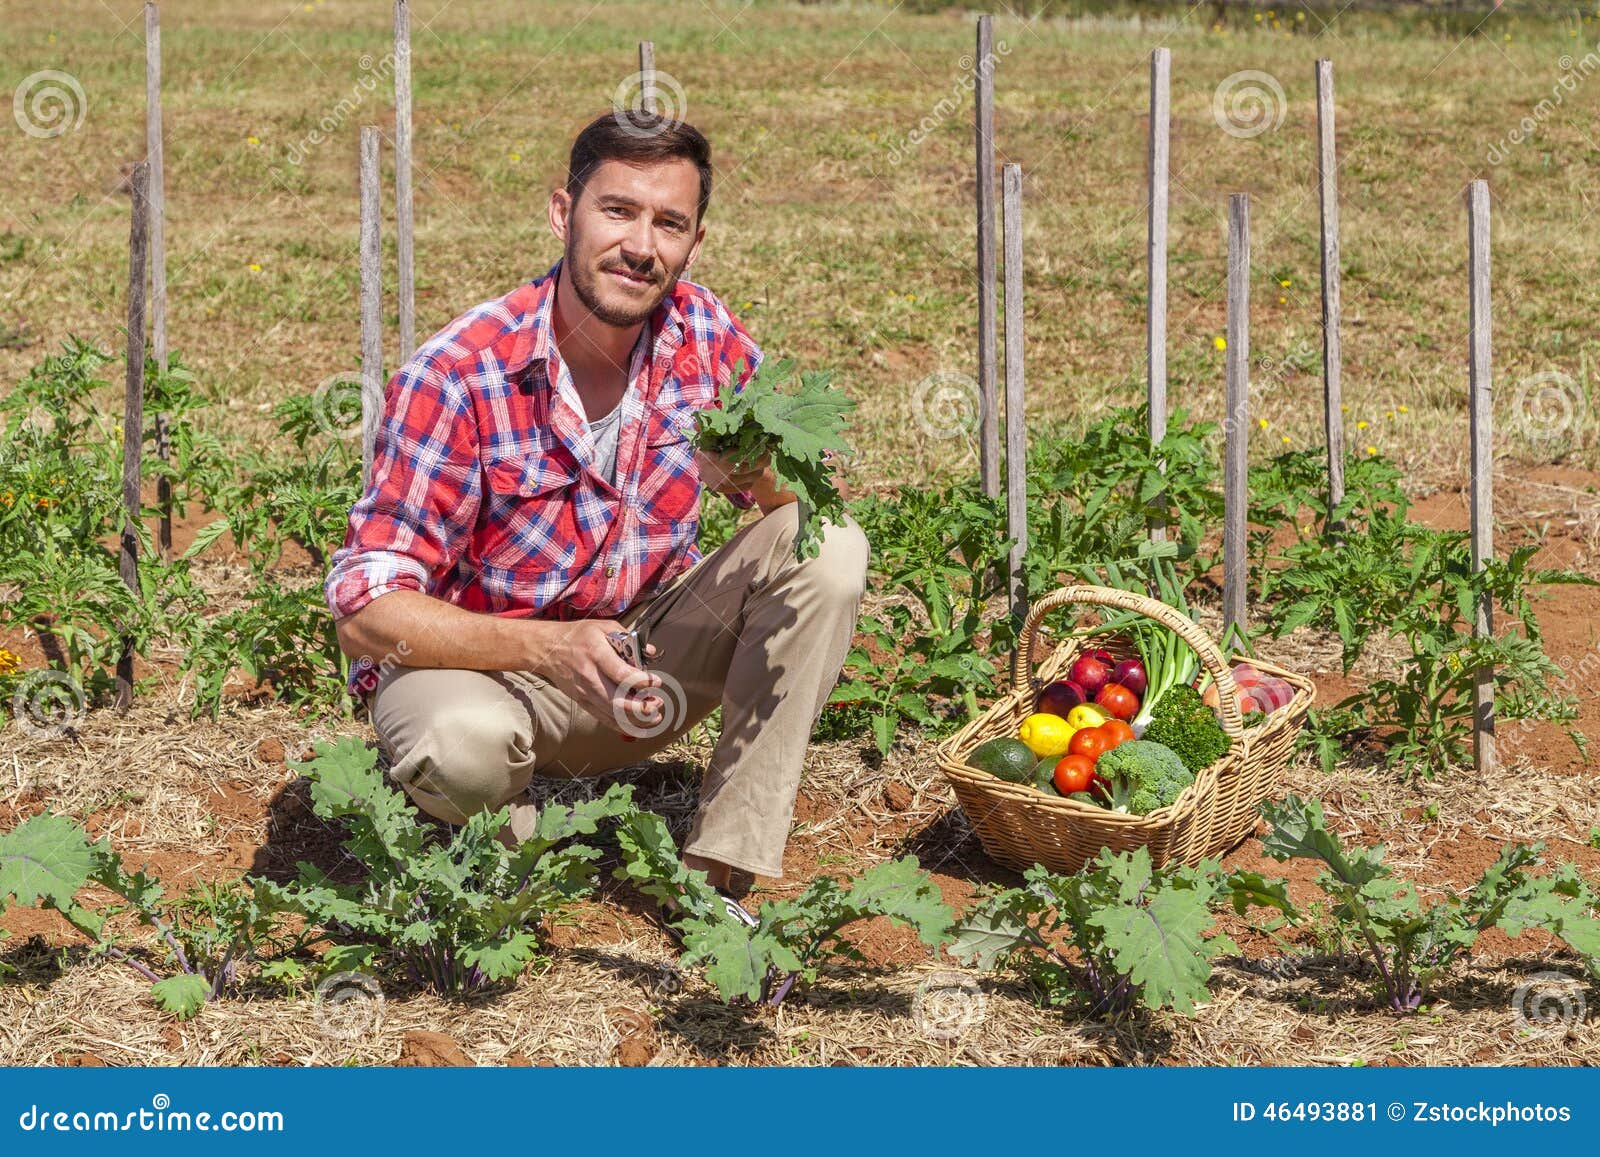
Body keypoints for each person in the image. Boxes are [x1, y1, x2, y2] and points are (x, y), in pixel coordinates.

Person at [324, 109, 869, 923]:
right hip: (485, 680)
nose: (642, 245)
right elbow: (364, 614)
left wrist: (764, 480)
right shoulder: (459, 375)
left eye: (669, 223)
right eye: (617, 210)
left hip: (637, 674)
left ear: (694, 243)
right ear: (562, 213)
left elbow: (810, 501)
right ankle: (500, 840)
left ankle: (716, 876)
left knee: (828, 549)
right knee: (461, 745)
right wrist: (546, 646)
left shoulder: (703, 335)